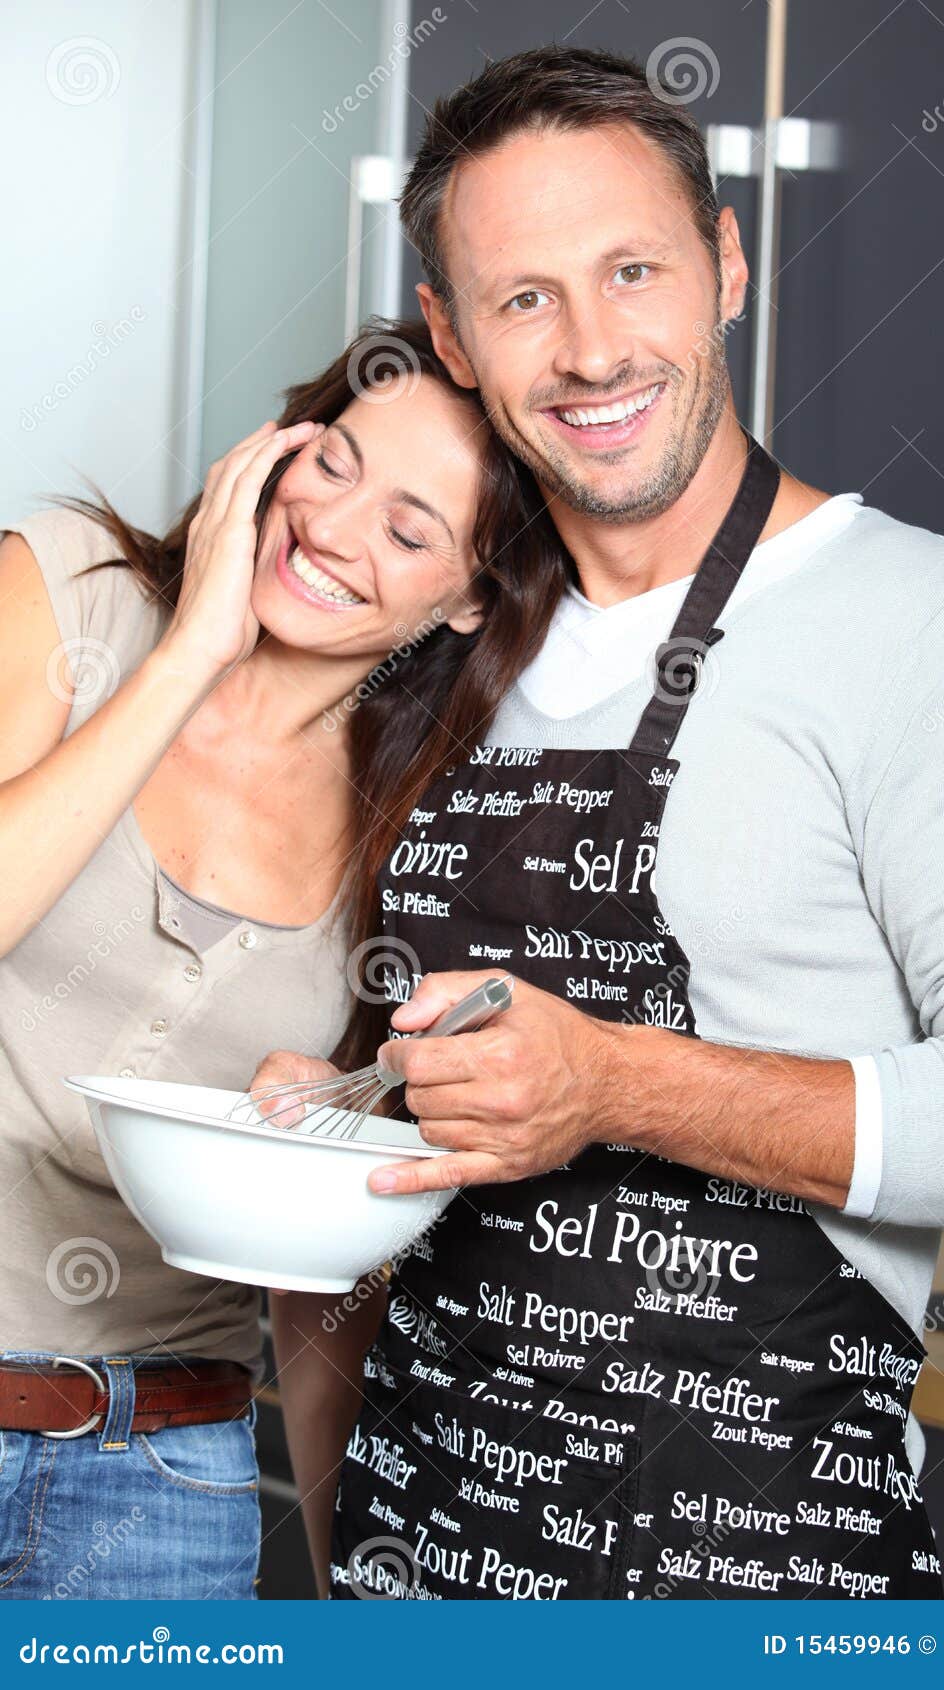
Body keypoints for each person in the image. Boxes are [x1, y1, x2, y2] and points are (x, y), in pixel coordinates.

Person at [263, 48, 944, 1601]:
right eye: (521, 299)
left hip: (752, 1565)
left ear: (724, 262)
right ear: (448, 331)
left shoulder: (924, 625)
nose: (587, 349)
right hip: (413, 1552)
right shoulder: (443, 644)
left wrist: (615, 1082)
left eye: (630, 270)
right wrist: (343, 1110)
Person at [0, 319, 563, 1599]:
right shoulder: (72, 592)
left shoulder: (412, 834)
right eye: (336, 463)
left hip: (155, 1470)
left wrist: (343, 1570)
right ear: (280, 446)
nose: (335, 526)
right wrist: (193, 645)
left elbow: (326, 1272)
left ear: (467, 597)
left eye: (410, 531)